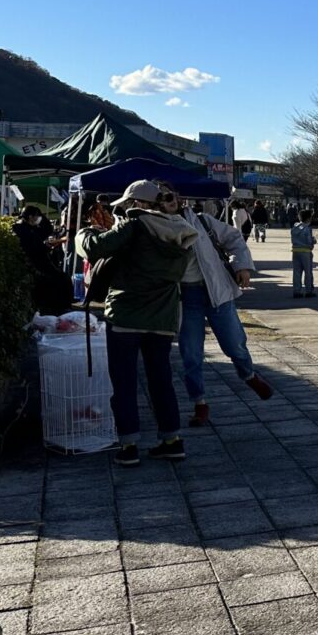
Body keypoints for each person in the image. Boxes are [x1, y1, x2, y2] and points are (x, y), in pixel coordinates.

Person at [76, 179, 197, 465]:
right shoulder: (182, 231)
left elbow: (94, 248)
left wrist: (83, 233)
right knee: (162, 381)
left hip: (126, 316)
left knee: (125, 383)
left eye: (129, 204)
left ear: (138, 204)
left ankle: (128, 446)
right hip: (163, 318)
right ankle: (172, 440)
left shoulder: (133, 226)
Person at [167, 186, 275, 427]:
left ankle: (248, 374)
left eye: (172, 194)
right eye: (162, 196)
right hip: (185, 296)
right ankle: (200, 403)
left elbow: (234, 239)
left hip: (216, 290)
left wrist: (242, 266)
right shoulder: (155, 227)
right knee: (191, 353)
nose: (169, 200)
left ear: (181, 197)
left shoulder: (203, 221)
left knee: (234, 343)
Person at [13, 205, 71, 314]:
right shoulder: (24, 230)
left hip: (39, 263)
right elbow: (34, 249)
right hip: (35, 265)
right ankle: (58, 307)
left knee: (61, 278)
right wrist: (48, 247)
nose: (39, 218)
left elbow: (45, 231)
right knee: (61, 279)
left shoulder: (28, 228)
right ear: (30, 217)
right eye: (38, 216)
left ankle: (59, 306)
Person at [291, 209, 318, 298]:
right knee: (308, 272)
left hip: (295, 251)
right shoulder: (307, 229)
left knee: (296, 272)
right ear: (308, 219)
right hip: (306, 252)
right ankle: (309, 290)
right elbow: (309, 242)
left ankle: (296, 291)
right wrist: (313, 241)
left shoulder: (294, 227)